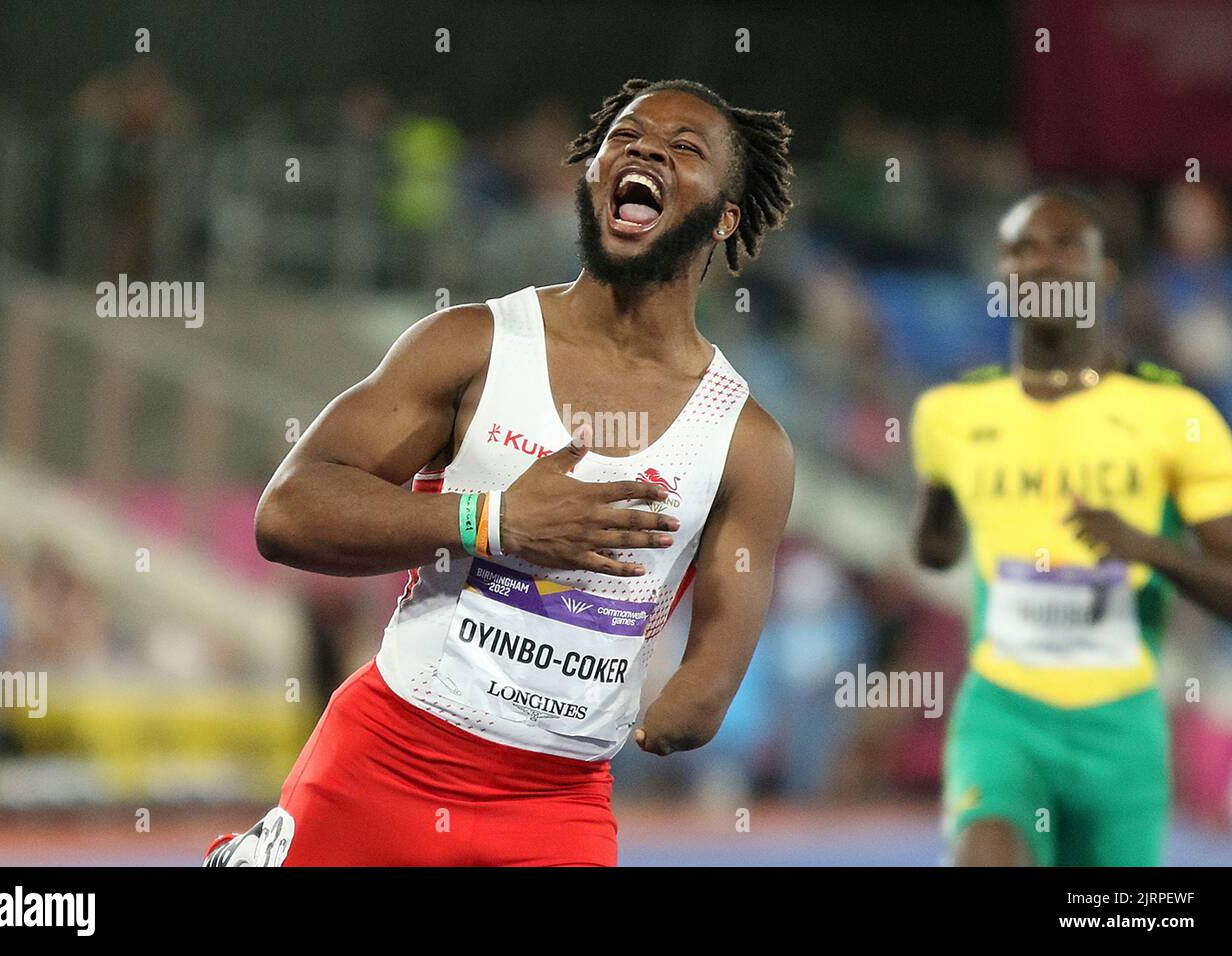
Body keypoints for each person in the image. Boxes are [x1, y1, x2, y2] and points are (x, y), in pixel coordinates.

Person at [205, 78, 796, 867]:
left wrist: (691, 704)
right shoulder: (472, 346)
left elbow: (716, 661)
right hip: (389, 762)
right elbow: (286, 514)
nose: (647, 147)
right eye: (625, 136)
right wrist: (491, 521)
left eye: (685, 147)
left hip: (557, 806)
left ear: (727, 215)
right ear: (591, 178)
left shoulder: (747, 442)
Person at [911, 190, 1232, 866]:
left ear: (1105, 273)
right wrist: (938, 531)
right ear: (1003, 275)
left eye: (1066, 246)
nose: (1044, 263)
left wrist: (1149, 549)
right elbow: (936, 542)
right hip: (1003, 716)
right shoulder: (949, 413)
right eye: (1023, 249)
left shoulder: (1176, 416)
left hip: (1120, 728)